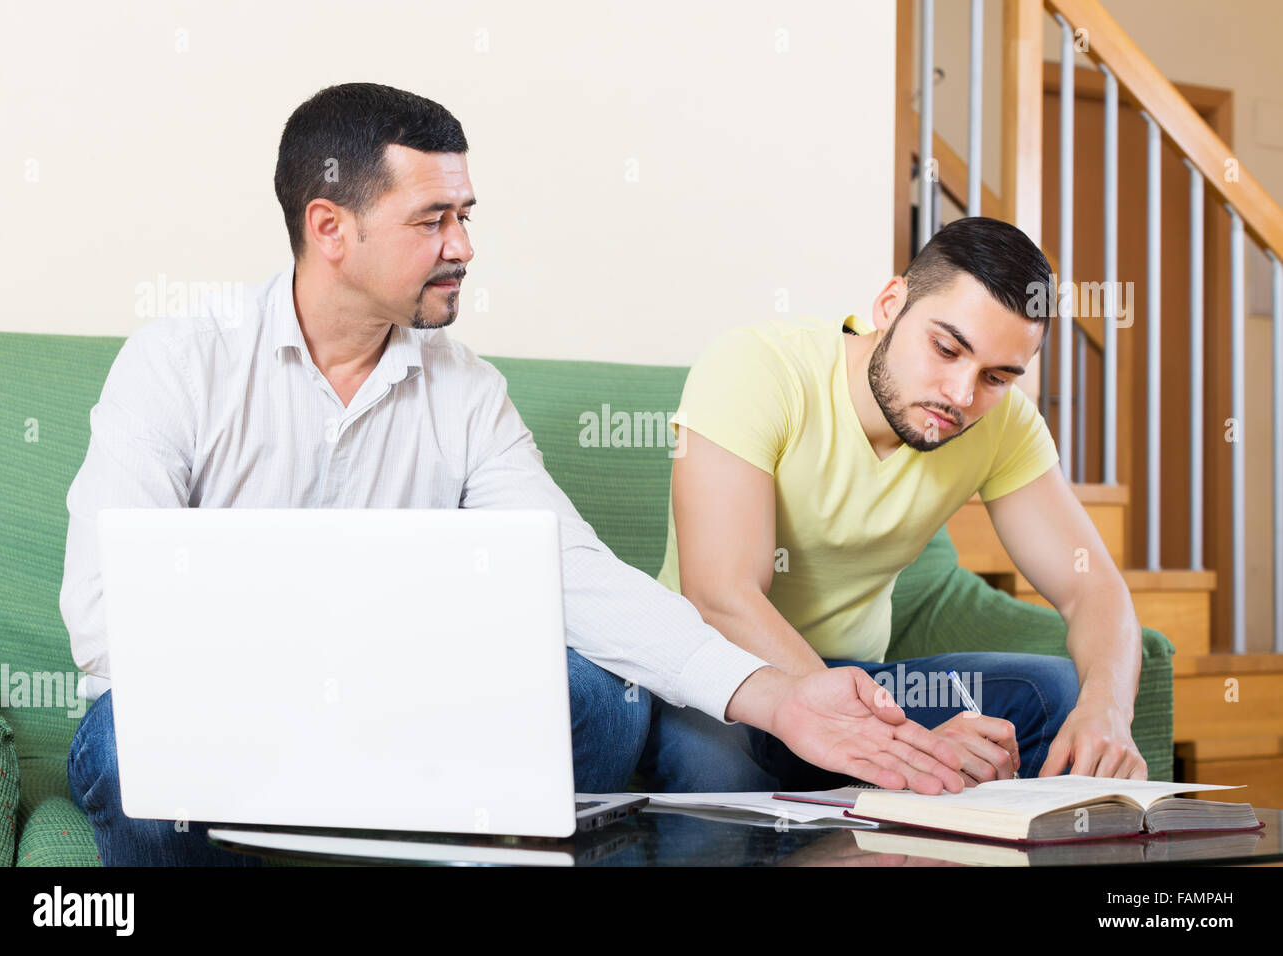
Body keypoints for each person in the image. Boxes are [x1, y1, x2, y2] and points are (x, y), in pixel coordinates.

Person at [61, 83, 968, 866]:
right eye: (432, 221)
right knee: (124, 736)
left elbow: (572, 574)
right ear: (330, 228)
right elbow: (104, 620)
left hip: (410, 723)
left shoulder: (465, 391)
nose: (462, 246)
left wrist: (777, 695)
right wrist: (329, 673)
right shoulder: (177, 363)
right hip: (228, 719)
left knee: (605, 699)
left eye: (466, 216)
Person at [636, 217, 1147, 793]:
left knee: (1058, 696)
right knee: (713, 760)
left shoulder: (1003, 424)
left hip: (872, 687)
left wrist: (1108, 710)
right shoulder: (757, 368)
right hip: (728, 676)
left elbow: (1093, 587)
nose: (960, 395)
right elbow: (720, 595)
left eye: (997, 376)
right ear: (890, 304)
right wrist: (902, 742)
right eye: (946, 348)